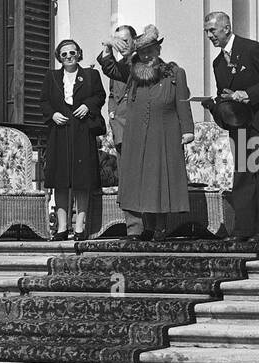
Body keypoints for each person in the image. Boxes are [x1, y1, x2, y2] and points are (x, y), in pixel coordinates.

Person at [96, 24, 194, 239]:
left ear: (158, 50)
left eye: (150, 51)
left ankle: (160, 227)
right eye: (142, 52)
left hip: (164, 132)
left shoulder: (175, 72)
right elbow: (110, 68)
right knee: (138, 180)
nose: (147, 56)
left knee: (158, 179)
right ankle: (142, 229)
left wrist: (187, 129)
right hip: (136, 134)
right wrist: (108, 45)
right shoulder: (132, 72)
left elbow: (183, 102)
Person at [203, 10, 259, 242]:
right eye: (207, 31)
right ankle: (243, 229)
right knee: (243, 176)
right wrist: (217, 103)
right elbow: (225, 93)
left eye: (212, 30)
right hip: (239, 126)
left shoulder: (251, 49)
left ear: (226, 28)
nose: (210, 36)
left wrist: (247, 94)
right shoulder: (218, 62)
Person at [40, 38, 106, 241]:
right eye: (64, 54)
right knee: (61, 181)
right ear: (59, 58)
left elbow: (99, 96)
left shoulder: (90, 75)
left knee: (81, 181)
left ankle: (79, 228)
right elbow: (44, 101)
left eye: (72, 53)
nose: (69, 57)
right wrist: (52, 115)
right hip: (60, 132)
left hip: (82, 130)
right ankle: (61, 228)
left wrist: (88, 105)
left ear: (79, 54)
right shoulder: (51, 77)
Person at [103, 23, 136, 153]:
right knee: (123, 172)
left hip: (134, 128)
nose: (121, 45)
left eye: (125, 41)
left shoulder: (141, 62)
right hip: (119, 130)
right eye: (117, 42)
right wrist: (111, 111)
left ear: (134, 40)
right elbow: (112, 94)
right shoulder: (120, 65)